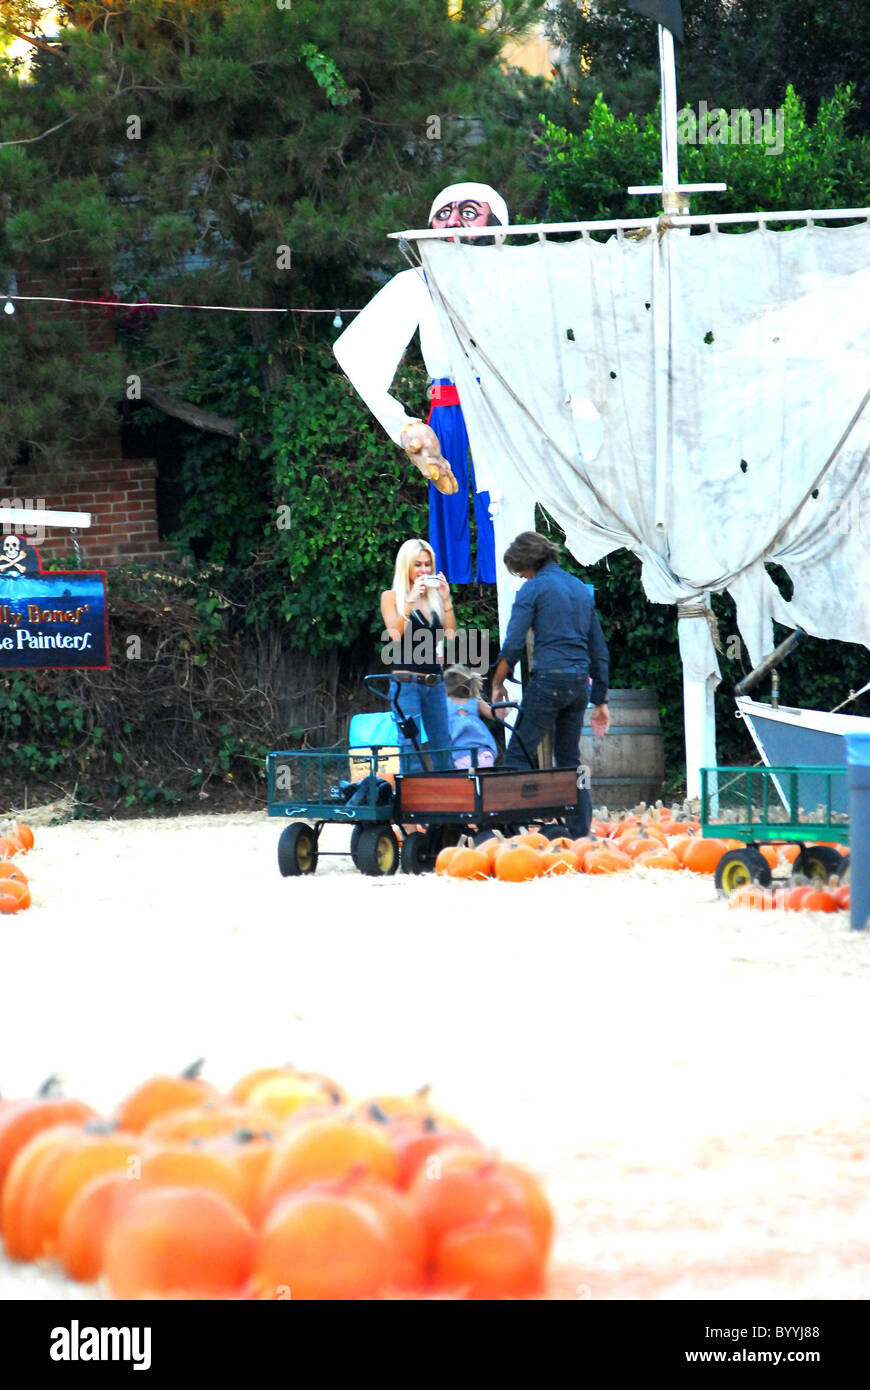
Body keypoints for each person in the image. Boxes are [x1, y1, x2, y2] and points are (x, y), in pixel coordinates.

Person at [333, 182, 510, 584]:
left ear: (496, 224)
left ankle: (508, 572)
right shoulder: (416, 282)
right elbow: (356, 350)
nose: (451, 221)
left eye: (468, 212)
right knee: (447, 492)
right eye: (443, 213)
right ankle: (456, 575)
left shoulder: (515, 274)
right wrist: (403, 424)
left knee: (502, 496)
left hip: (501, 407)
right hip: (447, 405)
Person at [490, 531, 610, 836]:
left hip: (549, 681)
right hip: (579, 685)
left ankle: (516, 828)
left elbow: (514, 644)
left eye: (519, 570)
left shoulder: (533, 590)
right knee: (570, 759)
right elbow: (599, 648)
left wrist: (497, 682)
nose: (520, 576)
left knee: (519, 754)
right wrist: (601, 699)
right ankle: (581, 831)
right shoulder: (580, 589)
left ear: (526, 564)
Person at [380, 538, 455, 772]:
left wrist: (446, 599)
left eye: (427, 565)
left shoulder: (432, 599)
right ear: (406, 567)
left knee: (442, 742)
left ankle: (450, 797)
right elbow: (395, 634)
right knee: (409, 744)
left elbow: (449, 635)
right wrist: (410, 602)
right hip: (406, 680)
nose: (424, 570)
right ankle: (413, 802)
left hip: (434, 680)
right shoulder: (391, 597)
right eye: (418, 565)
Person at [444, 665, 498, 769]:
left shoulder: (444, 704)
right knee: (483, 777)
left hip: (458, 754)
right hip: (483, 751)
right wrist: (506, 708)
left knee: (466, 780)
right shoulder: (475, 702)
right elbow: (495, 715)